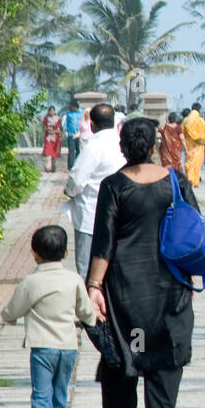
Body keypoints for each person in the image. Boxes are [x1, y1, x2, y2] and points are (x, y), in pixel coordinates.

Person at [85, 118, 201, 408]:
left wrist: (94, 286)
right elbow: (193, 231)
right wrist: (191, 277)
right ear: (154, 145)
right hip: (171, 286)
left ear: (123, 148)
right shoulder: (176, 182)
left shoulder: (113, 186)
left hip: (125, 289)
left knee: (122, 357)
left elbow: (104, 244)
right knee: (165, 355)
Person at [1, 225, 98, 408]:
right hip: (68, 347)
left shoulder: (31, 282)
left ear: (34, 253)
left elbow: (12, 311)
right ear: (66, 253)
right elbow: (86, 312)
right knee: (60, 393)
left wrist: (10, 317)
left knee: (41, 395)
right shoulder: (74, 279)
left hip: (43, 348)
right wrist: (94, 318)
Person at [64, 104, 126, 280]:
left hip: (91, 213)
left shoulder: (94, 147)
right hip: (119, 214)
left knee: (86, 269)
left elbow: (76, 180)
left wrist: (69, 191)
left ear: (91, 124)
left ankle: (89, 304)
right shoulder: (121, 144)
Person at [182, 102, 205, 187]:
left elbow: (182, 132)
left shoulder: (186, 120)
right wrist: (204, 143)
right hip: (199, 146)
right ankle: (195, 181)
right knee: (196, 163)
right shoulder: (201, 120)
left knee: (189, 163)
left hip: (189, 145)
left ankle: (189, 179)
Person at [62, 100, 82, 170]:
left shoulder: (81, 112)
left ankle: (78, 164)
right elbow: (66, 124)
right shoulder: (68, 114)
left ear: (75, 106)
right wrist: (65, 132)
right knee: (71, 151)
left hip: (79, 134)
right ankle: (71, 166)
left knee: (78, 150)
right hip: (71, 134)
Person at [41, 106, 62, 173]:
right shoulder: (46, 119)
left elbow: (59, 130)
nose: (52, 112)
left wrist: (54, 131)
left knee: (54, 153)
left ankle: (53, 167)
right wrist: (48, 129)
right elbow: (43, 128)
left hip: (55, 138)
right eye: (51, 111)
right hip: (48, 138)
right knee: (48, 152)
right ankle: (48, 167)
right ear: (48, 111)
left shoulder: (58, 119)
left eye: (53, 110)